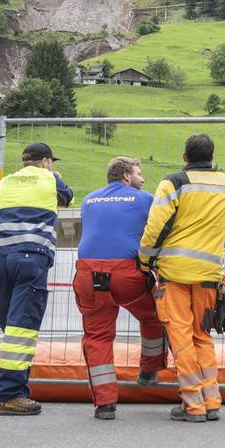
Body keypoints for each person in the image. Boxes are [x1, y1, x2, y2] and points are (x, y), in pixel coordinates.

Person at [139, 134, 225, 423]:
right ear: (212, 156)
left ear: (185, 157)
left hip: (173, 272)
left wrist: (145, 260)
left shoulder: (173, 183)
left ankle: (193, 404)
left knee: (181, 338)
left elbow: (155, 226)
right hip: (209, 274)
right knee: (202, 337)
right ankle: (212, 401)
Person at [74, 156, 167, 420]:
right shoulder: (144, 198)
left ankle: (104, 404)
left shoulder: (88, 199)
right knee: (154, 316)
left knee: (97, 337)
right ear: (126, 176)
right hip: (126, 273)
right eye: (139, 173)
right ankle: (149, 371)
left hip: (88, 274)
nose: (143, 179)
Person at [0, 142, 73, 416]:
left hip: (1, 257)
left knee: (12, 326)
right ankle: (9, 395)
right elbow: (68, 198)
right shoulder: (51, 178)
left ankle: (13, 387)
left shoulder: (5, 182)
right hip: (31, 256)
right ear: (46, 161)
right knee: (22, 328)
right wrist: (57, 177)